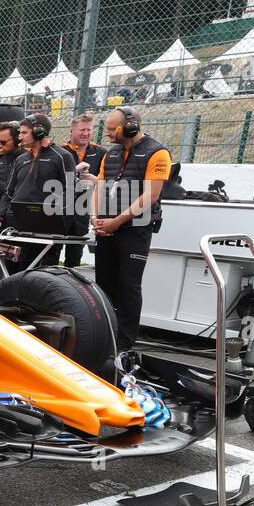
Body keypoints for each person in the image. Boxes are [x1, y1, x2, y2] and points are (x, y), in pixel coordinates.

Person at [87, 106, 171, 350]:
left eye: (114, 129)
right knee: (104, 284)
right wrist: (96, 217)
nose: (109, 133)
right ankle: (104, 334)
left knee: (128, 286)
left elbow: (151, 195)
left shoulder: (158, 153)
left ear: (131, 126)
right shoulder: (110, 154)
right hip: (107, 228)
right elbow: (99, 188)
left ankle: (124, 342)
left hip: (135, 230)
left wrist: (117, 221)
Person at [0, 112, 76, 272]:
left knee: (42, 274)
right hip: (17, 225)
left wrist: (59, 220)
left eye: (24, 132)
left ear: (39, 131)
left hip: (45, 228)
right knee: (12, 272)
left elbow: (70, 190)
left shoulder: (62, 156)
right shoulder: (21, 159)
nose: (20, 137)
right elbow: (9, 190)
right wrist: (0, 214)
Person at [61, 113, 104, 268]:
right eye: (82, 130)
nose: (86, 134)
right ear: (71, 131)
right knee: (52, 250)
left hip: (83, 208)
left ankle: (70, 287)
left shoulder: (100, 152)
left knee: (75, 254)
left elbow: (110, 180)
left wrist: (96, 180)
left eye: (89, 130)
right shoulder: (59, 151)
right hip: (59, 207)